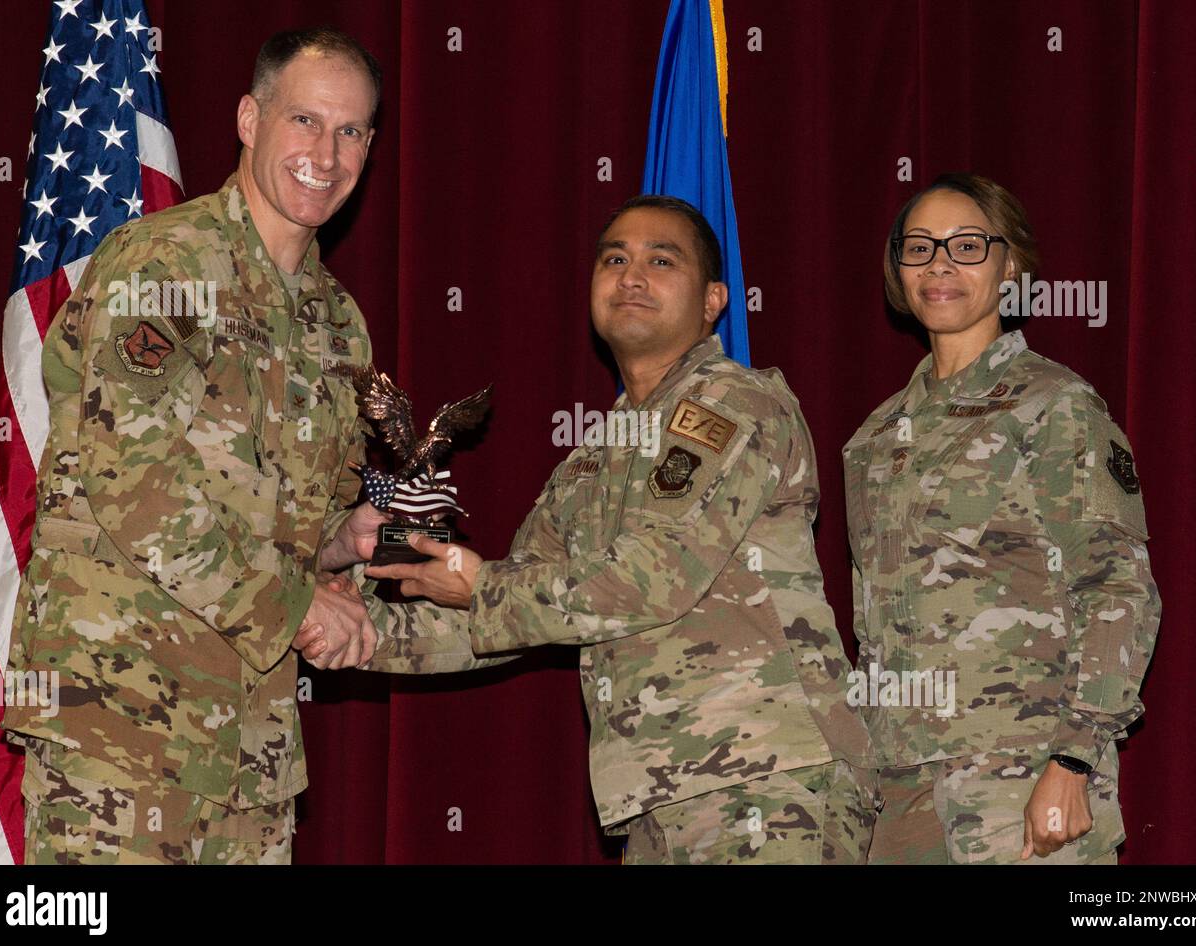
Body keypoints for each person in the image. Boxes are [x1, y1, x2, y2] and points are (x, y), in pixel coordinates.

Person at [304, 195, 878, 864]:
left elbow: (653, 574)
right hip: (661, 800)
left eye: (661, 260)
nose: (631, 275)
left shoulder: (733, 401)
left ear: (714, 299)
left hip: (768, 782)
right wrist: (352, 627)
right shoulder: (594, 458)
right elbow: (509, 607)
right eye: (614, 259)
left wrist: (480, 585)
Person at [3, 28, 406, 864]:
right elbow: (133, 485)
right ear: (250, 119)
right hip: (119, 733)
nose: (325, 154)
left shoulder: (338, 325)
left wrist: (344, 542)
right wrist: (299, 607)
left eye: (351, 131)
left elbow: (287, 523)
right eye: (304, 120)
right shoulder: (169, 266)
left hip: (248, 754)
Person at [843, 172, 1161, 864]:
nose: (940, 265)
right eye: (920, 248)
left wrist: (1075, 761)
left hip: (1019, 787)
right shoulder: (872, 439)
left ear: (1009, 264)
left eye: (967, 245)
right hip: (898, 799)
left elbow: (1118, 587)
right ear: (897, 269)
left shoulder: (1054, 405)